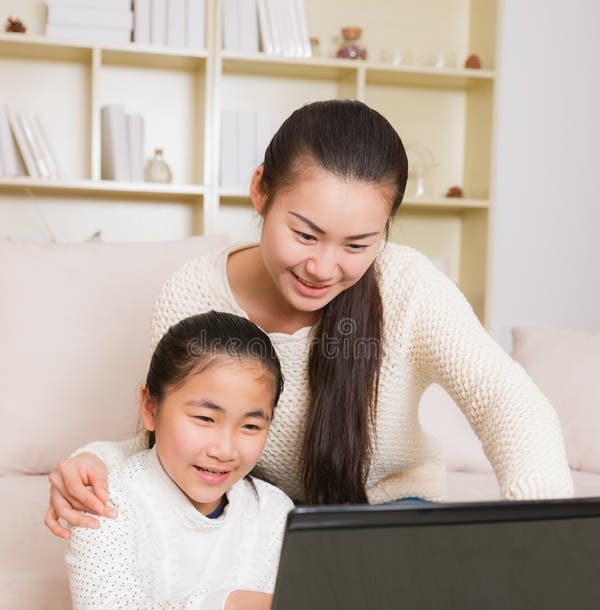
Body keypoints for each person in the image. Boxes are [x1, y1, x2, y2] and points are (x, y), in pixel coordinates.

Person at [47, 99, 572, 540]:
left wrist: (543, 541)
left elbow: (511, 405)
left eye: (358, 244)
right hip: (256, 518)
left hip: (394, 510)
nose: (322, 269)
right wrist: (94, 460)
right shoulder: (194, 296)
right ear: (260, 191)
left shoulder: (407, 286)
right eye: (304, 234)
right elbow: (169, 438)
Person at [66, 311, 294, 610]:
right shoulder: (105, 501)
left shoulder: (274, 512)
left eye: (250, 426)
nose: (224, 450)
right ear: (150, 407)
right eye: (205, 418)